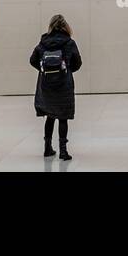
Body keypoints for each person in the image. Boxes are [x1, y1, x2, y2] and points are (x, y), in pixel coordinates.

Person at [29, 14, 80, 161]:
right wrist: (67, 69)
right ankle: (63, 151)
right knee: (63, 117)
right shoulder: (69, 43)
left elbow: (32, 60)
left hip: (46, 85)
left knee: (50, 116)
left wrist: (45, 70)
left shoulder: (43, 43)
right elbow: (78, 63)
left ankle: (47, 148)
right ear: (65, 26)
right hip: (64, 84)